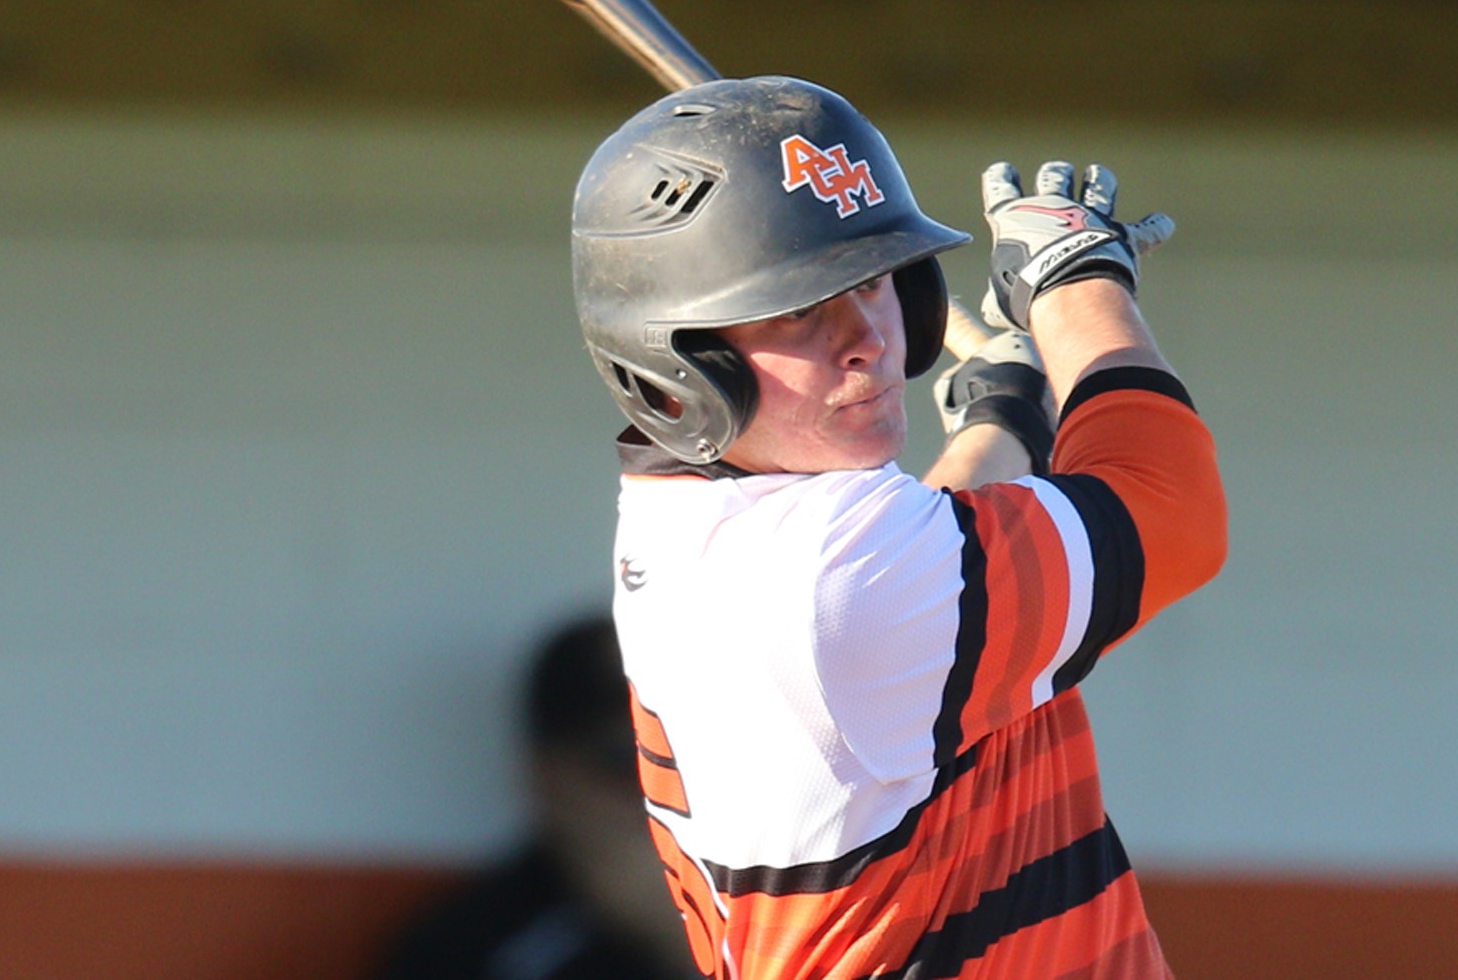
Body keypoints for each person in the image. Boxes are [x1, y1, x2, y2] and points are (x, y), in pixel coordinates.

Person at [571, 76, 1227, 978]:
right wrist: (1079, 287)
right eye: (801, 308)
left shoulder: (701, 520)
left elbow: (923, 538)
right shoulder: (834, 585)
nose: (869, 338)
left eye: (873, 280)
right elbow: (1175, 511)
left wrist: (1002, 411)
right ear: (679, 361)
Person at [374, 614, 698, 980]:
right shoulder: (474, 942)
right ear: (547, 772)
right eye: (627, 761)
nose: (669, 792)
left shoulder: (758, 908)